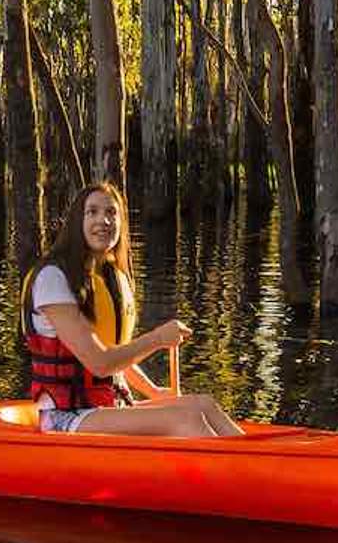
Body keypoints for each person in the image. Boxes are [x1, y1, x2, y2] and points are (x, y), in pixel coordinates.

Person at [21, 181, 244, 437]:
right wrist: (157, 339)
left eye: (111, 213)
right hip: (64, 416)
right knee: (186, 419)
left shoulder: (107, 276)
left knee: (202, 405)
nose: (103, 221)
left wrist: (153, 392)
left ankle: (257, 461)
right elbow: (100, 363)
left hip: (105, 406)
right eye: (92, 212)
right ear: (76, 222)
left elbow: (115, 354)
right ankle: (232, 473)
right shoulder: (53, 278)